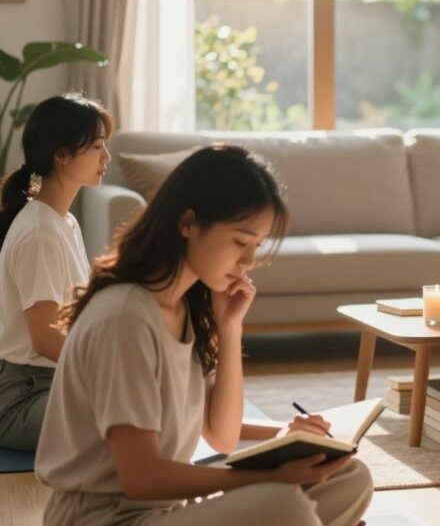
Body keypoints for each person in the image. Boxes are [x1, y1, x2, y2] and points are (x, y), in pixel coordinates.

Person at [36, 145, 373, 526]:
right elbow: (141, 477)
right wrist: (269, 478)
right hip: (105, 520)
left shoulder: (186, 308)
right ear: (188, 223)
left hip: (167, 513)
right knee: (284, 504)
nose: (248, 263)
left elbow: (222, 437)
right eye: (239, 242)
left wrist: (230, 329)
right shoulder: (126, 317)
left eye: (256, 247)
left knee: (348, 478)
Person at [0, 93, 112, 451]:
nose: (106, 157)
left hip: (56, 383)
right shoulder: (40, 232)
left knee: (149, 405)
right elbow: (45, 340)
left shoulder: (63, 222)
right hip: (23, 399)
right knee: (132, 420)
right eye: (97, 147)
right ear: (62, 155)